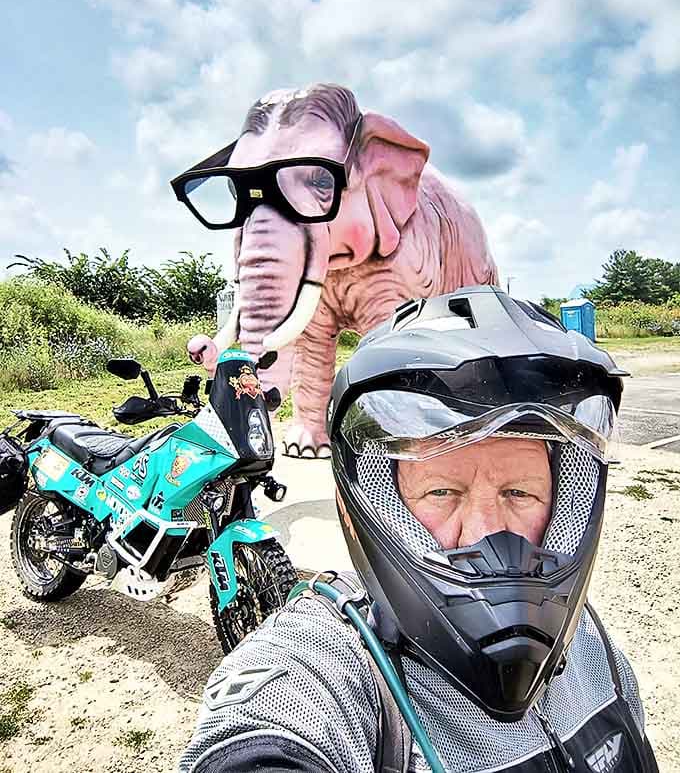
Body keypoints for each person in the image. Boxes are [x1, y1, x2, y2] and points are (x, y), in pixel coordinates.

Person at [179, 285, 659, 773]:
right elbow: (261, 740)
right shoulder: (326, 672)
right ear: (380, 504)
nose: (486, 531)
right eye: (442, 493)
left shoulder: (591, 645)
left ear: (566, 506)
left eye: (520, 493)